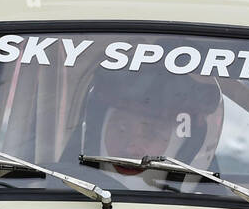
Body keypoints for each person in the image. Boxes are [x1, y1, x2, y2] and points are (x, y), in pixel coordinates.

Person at [78, 66, 225, 187]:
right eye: (121, 129)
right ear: (97, 132)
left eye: (152, 133)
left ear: (188, 148)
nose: (130, 147)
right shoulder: (58, 188)